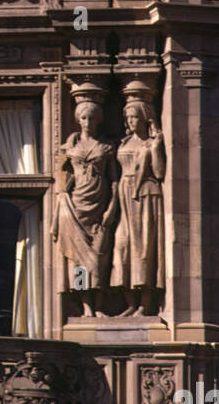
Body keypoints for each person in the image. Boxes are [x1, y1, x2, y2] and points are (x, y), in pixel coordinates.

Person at [51, 87, 119, 317]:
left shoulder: (106, 147)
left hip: (100, 204)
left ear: (98, 119)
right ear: (78, 119)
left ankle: (98, 304)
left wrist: (112, 207)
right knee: (78, 260)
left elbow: (114, 181)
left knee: (100, 256)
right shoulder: (70, 149)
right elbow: (61, 176)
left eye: (91, 117)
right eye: (83, 117)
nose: (87, 121)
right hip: (76, 206)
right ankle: (86, 307)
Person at [111, 87, 165, 316]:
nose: (131, 120)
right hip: (124, 196)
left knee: (144, 249)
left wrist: (156, 148)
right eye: (128, 117)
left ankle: (144, 304)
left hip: (145, 196)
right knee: (121, 247)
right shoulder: (123, 142)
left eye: (134, 116)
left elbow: (160, 174)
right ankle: (129, 302)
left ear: (144, 117)